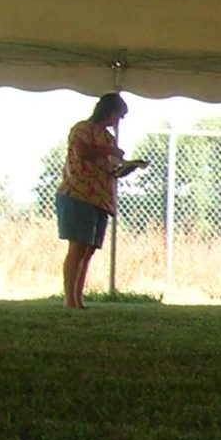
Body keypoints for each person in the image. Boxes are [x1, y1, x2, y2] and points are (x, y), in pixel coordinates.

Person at [55, 92, 146, 308]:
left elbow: (112, 169)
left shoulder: (107, 137)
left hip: (100, 199)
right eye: (119, 115)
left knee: (88, 249)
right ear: (109, 111)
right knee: (77, 247)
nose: (118, 121)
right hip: (78, 193)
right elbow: (81, 152)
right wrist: (110, 150)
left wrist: (129, 167)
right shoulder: (83, 128)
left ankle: (78, 298)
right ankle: (70, 299)